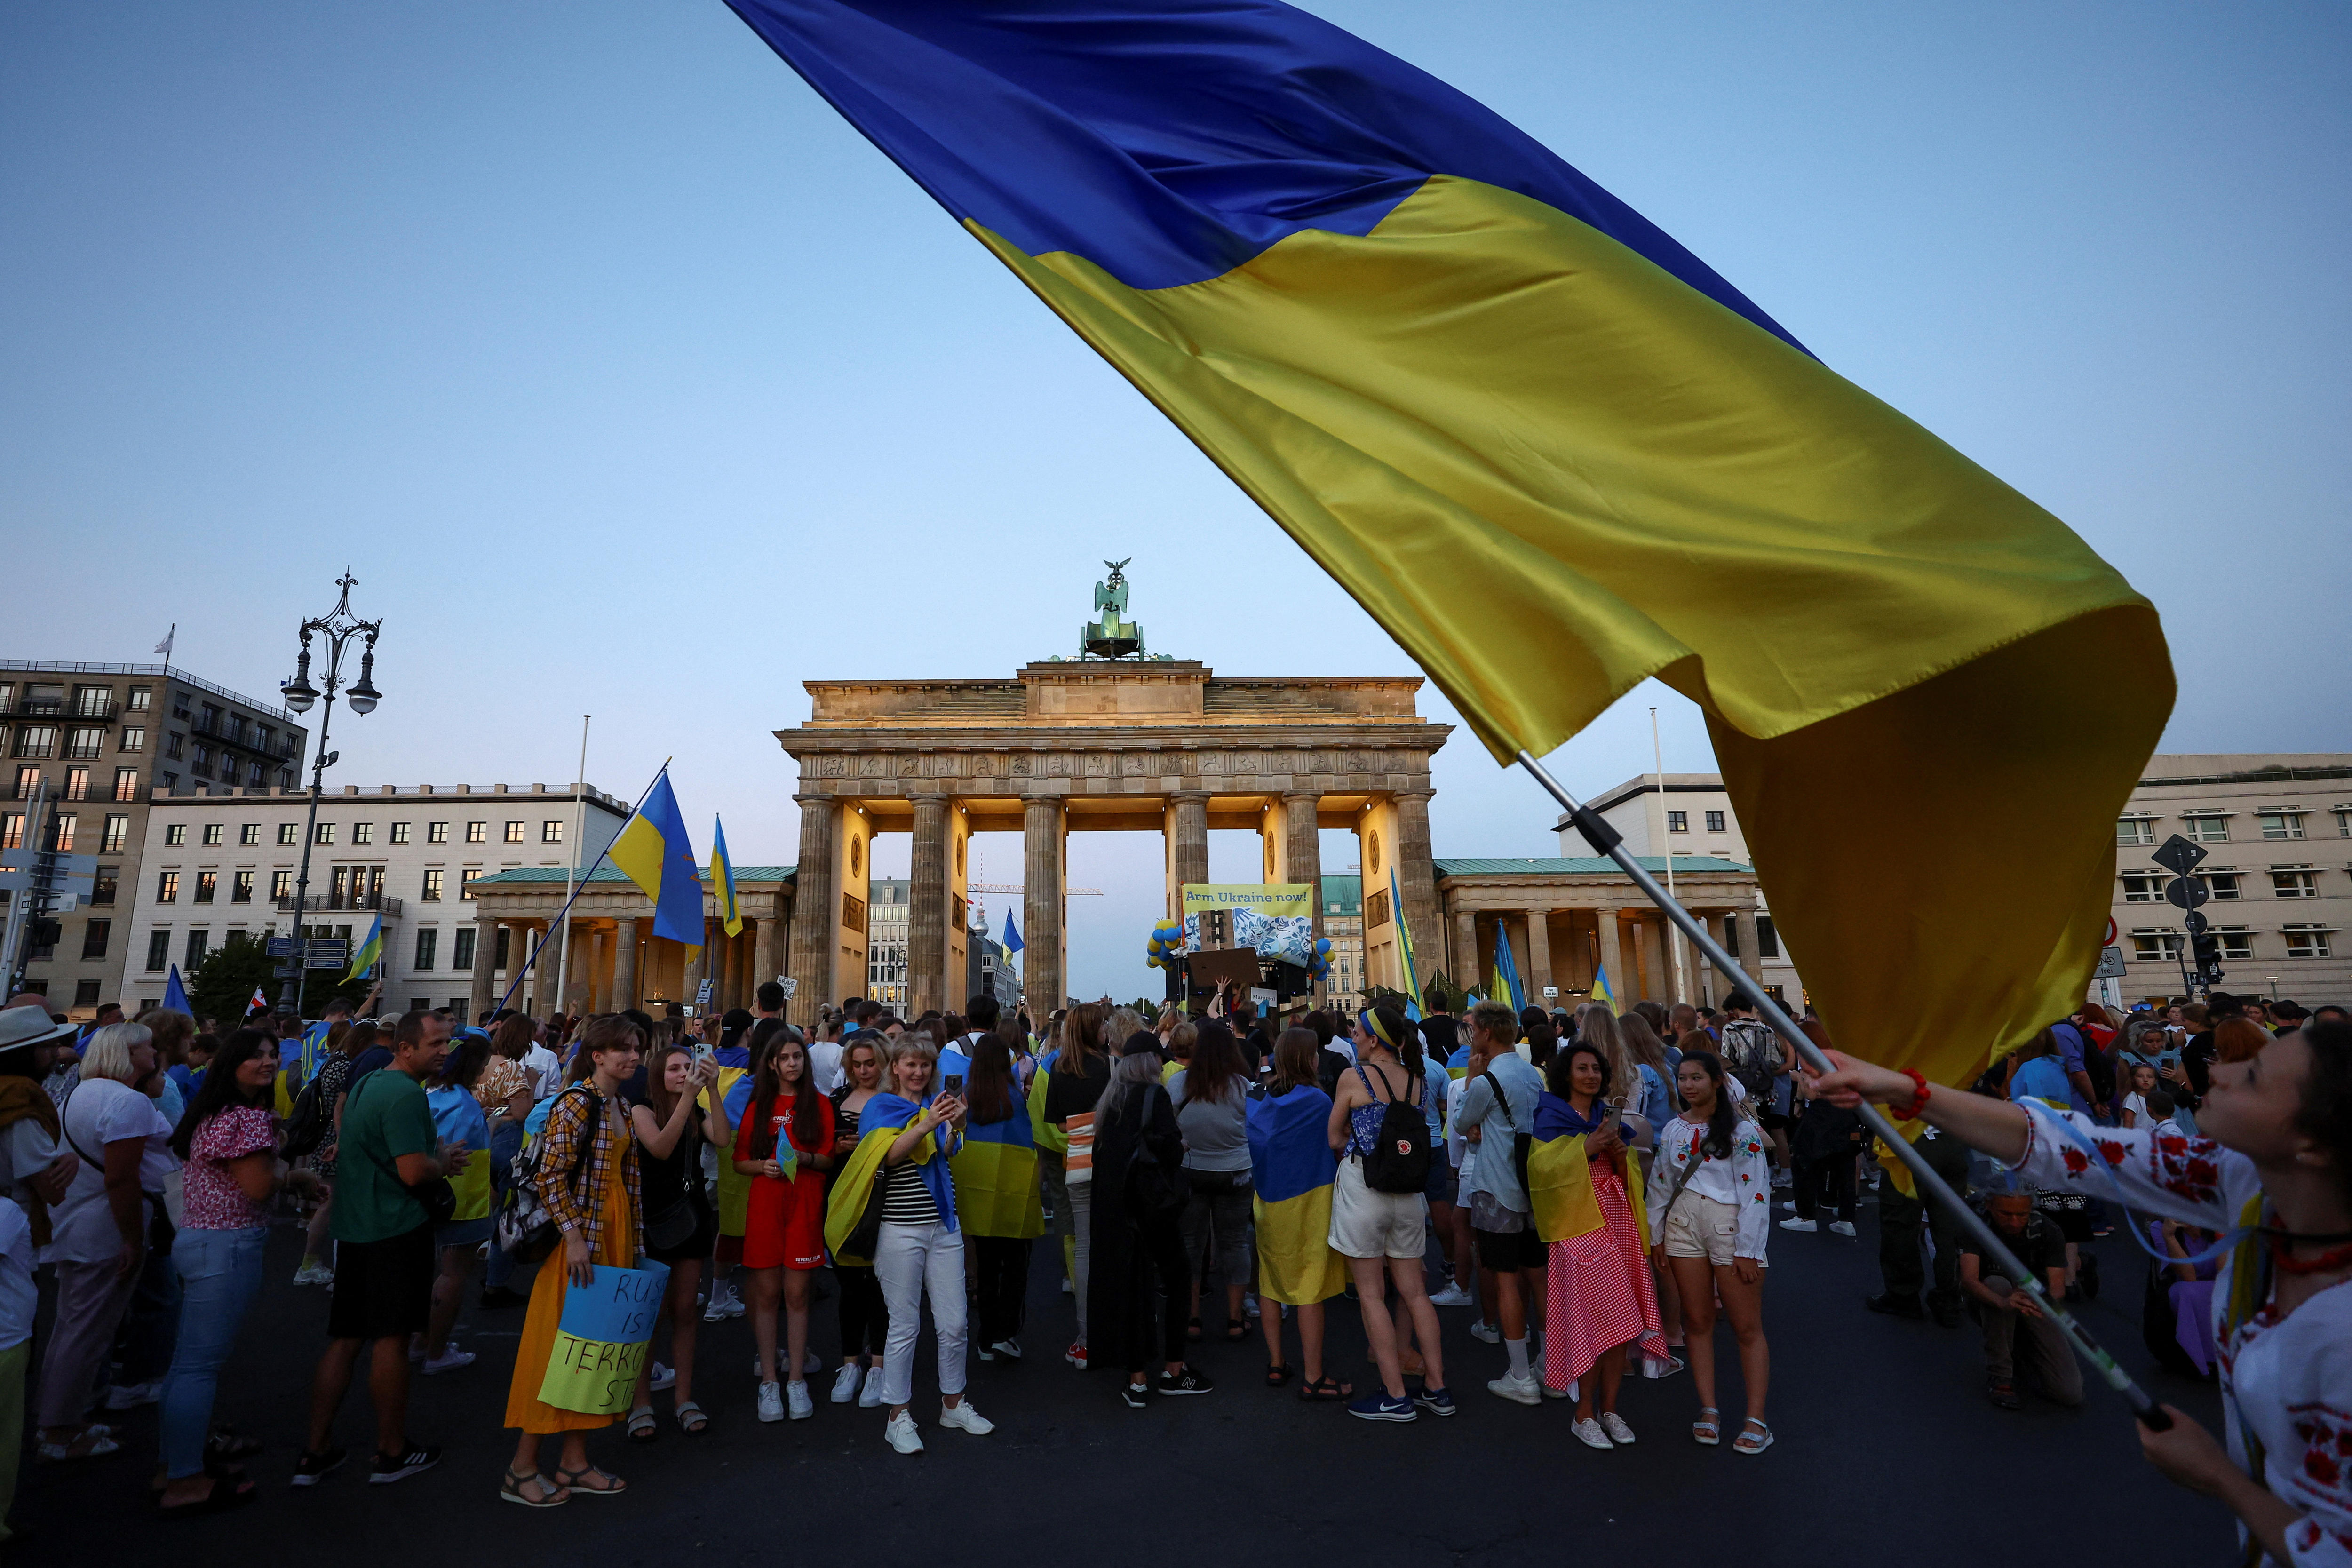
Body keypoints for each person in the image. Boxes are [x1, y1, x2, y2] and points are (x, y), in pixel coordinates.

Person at [1813, 1021, 2352, 1564]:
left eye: (2255, 1077)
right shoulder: (2248, 1183)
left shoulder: (2341, 1331)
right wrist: (1905, 1091)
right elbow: (2070, 1147)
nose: (2221, 1070)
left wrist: (2219, 1478)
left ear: (2311, 1144)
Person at [294, 1010, 465, 1486]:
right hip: (394, 1229)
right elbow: (413, 1171)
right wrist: (443, 1160)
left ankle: (315, 1450)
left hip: (356, 1225)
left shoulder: (370, 1083)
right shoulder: (406, 1094)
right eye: (435, 1043)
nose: (444, 1051)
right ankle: (391, 1451)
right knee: (390, 1340)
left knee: (346, 1339)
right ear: (404, 1048)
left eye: (446, 1042)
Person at [154, 1029, 316, 1514]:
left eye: (271, 1054)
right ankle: (184, 1480)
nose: (268, 1063)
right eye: (256, 1056)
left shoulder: (213, 1111)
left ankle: (174, 1464)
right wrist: (284, 1160)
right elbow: (259, 1188)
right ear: (233, 1063)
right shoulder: (246, 1119)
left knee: (188, 1364)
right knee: (198, 1368)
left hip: (201, 1238)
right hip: (227, 1244)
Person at [499, 1016, 644, 1507]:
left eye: (636, 1048)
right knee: (557, 1348)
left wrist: (635, 1244)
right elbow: (551, 1177)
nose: (631, 1056)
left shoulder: (619, 1103)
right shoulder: (576, 1103)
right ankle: (522, 1468)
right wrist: (575, 1237)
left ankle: (574, 1461)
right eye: (620, 1048)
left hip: (613, 1235)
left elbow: (630, 1184)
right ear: (596, 1054)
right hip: (578, 1242)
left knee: (594, 1352)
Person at [836, 1034, 992, 1455]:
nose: (919, 1072)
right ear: (896, 1068)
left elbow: (948, 1153)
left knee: (956, 1322)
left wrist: (955, 1126)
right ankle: (898, 1415)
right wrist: (926, 1122)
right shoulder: (882, 1107)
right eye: (911, 1064)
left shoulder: (936, 1104)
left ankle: (953, 1402)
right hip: (899, 1228)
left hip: (943, 1225)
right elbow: (885, 1155)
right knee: (904, 1325)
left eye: (925, 1065)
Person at [40, 1020, 175, 1462]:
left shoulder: (83, 1091)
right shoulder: (128, 1100)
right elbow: (122, 1177)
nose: (154, 1053)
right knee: (86, 1334)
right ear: (127, 1053)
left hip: (79, 1224)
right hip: (105, 1230)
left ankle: (64, 1419)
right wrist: (134, 1238)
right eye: (147, 1047)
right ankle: (59, 1431)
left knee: (73, 1329)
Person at [1534, 1041, 1668, 1447]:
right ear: (1566, 1074)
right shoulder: (1551, 1116)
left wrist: (1620, 1153)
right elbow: (1539, 1173)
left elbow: (1628, 1173)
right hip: (1579, 1229)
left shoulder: (1604, 1116)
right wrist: (1585, 1148)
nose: (1591, 1075)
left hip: (1618, 1224)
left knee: (1623, 1323)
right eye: (1582, 1068)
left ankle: (1609, 1409)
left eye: (1596, 1068)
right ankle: (1583, 1414)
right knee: (1591, 1322)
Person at [1326, 1005, 1452, 1422]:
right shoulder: (1416, 1080)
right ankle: (1437, 1385)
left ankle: (1395, 1394)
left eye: (1358, 1032)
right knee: (1415, 1293)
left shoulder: (1353, 1077)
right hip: (1408, 1193)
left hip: (1366, 1188)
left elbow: (1334, 1136)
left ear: (1374, 1038)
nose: (1354, 1037)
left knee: (1371, 1294)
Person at [1647, 1050, 1773, 1454]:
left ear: (1717, 1080)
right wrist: (1656, 1235)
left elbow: (1757, 1191)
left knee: (1746, 1326)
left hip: (1731, 1232)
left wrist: (1750, 1248)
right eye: (1683, 1078)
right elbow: (1661, 1184)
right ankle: (1709, 1408)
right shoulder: (1672, 1129)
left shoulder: (1742, 1131)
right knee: (1696, 1320)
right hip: (1683, 1228)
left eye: (1697, 1077)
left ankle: (1756, 1418)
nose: (1688, 1085)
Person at [1089, 1030, 1209, 1406]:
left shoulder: (1111, 1100)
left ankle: (1136, 1378)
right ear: (1152, 1062)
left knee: (1132, 1285)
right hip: (1153, 1205)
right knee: (1177, 1276)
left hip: (1118, 1208)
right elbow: (1169, 1150)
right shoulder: (1155, 1095)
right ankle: (1175, 1368)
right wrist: (1180, 1146)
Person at [734, 1027, 835, 1423]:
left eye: (798, 1057)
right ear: (772, 1063)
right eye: (785, 1058)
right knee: (767, 1295)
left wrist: (806, 1160)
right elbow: (739, 1160)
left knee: (797, 1295)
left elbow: (827, 1158)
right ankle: (770, 1381)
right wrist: (763, 1165)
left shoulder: (819, 1104)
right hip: (765, 1206)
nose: (792, 1063)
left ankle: (796, 1378)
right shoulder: (759, 1106)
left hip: (805, 1205)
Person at [628, 1034, 722, 1436]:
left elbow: (722, 1138)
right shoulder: (641, 1109)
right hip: (654, 1216)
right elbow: (661, 1147)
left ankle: (684, 1396)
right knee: (651, 1314)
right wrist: (688, 1098)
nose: (685, 1073)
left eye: (688, 1066)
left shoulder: (696, 1106)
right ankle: (641, 1399)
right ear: (658, 1075)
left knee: (685, 1309)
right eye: (675, 1069)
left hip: (692, 1214)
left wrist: (713, 1089)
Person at [1455, 999, 1546, 1403]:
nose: (1473, 1035)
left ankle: (1521, 1374)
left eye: (1475, 1029)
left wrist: (1474, 1079)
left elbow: (1461, 1122)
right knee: (1538, 1277)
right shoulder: (1532, 1074)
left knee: (1506, 1279)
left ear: (1487, 1033)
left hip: (1497, 1185)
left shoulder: (1487, 1080)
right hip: (1533, 1185)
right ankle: (1551, 1365)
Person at [953, 1023, 1043, 1363]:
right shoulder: (1015, 1100)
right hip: (1012, 1195)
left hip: (978, 1196)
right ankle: (1006, 1330)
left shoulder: (966, 1098)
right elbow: (1027, 1148)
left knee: (987, 1266)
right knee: (1016, 1266)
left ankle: (986, 1335)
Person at [1038, 1000, 1112, 1369]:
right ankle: (1117, 1327)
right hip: (1110, 1164)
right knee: (1115, 1246)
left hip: (1078, 1165)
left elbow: (1061, 1125)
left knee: (1083, 1250)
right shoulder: (1109, 1066)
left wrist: (1083, 1123)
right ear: (1094, 1030)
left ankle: (1085, 1338)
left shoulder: (1060, 1070)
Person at [1959, 1186, 2080, 1410]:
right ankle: (2001, 1377)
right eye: (2006, 1214)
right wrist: (2004, 1302)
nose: (2014, 1222)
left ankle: (2023, 1349)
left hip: (2034, 1298)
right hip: (1992, 1296)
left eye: (2021, 1215)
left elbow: (2057, 1289)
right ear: (1989, 1206)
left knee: (2069, 1393)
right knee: (1999, 1285)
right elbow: (1969, 1279)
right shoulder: (1976, 1224)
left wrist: (2035, 1306)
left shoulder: (2048, 1230)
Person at [1169, 1019, 1253, 1344]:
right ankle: (1234, 1317)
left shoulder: (1179, 1085)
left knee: (1191, 1242)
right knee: (1234, 1242)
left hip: (1191, 1170)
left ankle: (1192, 1316)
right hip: (1235, 1172)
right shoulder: (1243, 1086)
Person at [419, 1031, 496, 1376]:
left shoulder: (426, 1092)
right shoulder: (463, 1101)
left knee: (428, 1274)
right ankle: (435, 1352)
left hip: (426, 1193)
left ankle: (422, 1342)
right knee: (452, 1275)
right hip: (462, 1194)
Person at [827, 1032, 889, 1405]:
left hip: (884, 1200)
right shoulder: (835, 1099)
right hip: (841, 1199)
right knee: (850, 1287)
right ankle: (850, 1363)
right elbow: (818, 1148)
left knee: (881, 1287)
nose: (864, 1071)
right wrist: (834, 1146)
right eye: (857, 1065)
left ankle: (879, 1366)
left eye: (870, 1063)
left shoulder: (895, 1101)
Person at [476, 1015, 537, 1307]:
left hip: (483, 1137)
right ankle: (496, 1284)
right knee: (509, 1213)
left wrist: (496, 1113)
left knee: (493, 1206)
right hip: (508, 1140)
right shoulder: (511, 1068)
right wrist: (532, 1084)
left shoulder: (485, 1063)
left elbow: (487, 1107)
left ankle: (490, 1271)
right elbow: (524, 1112)